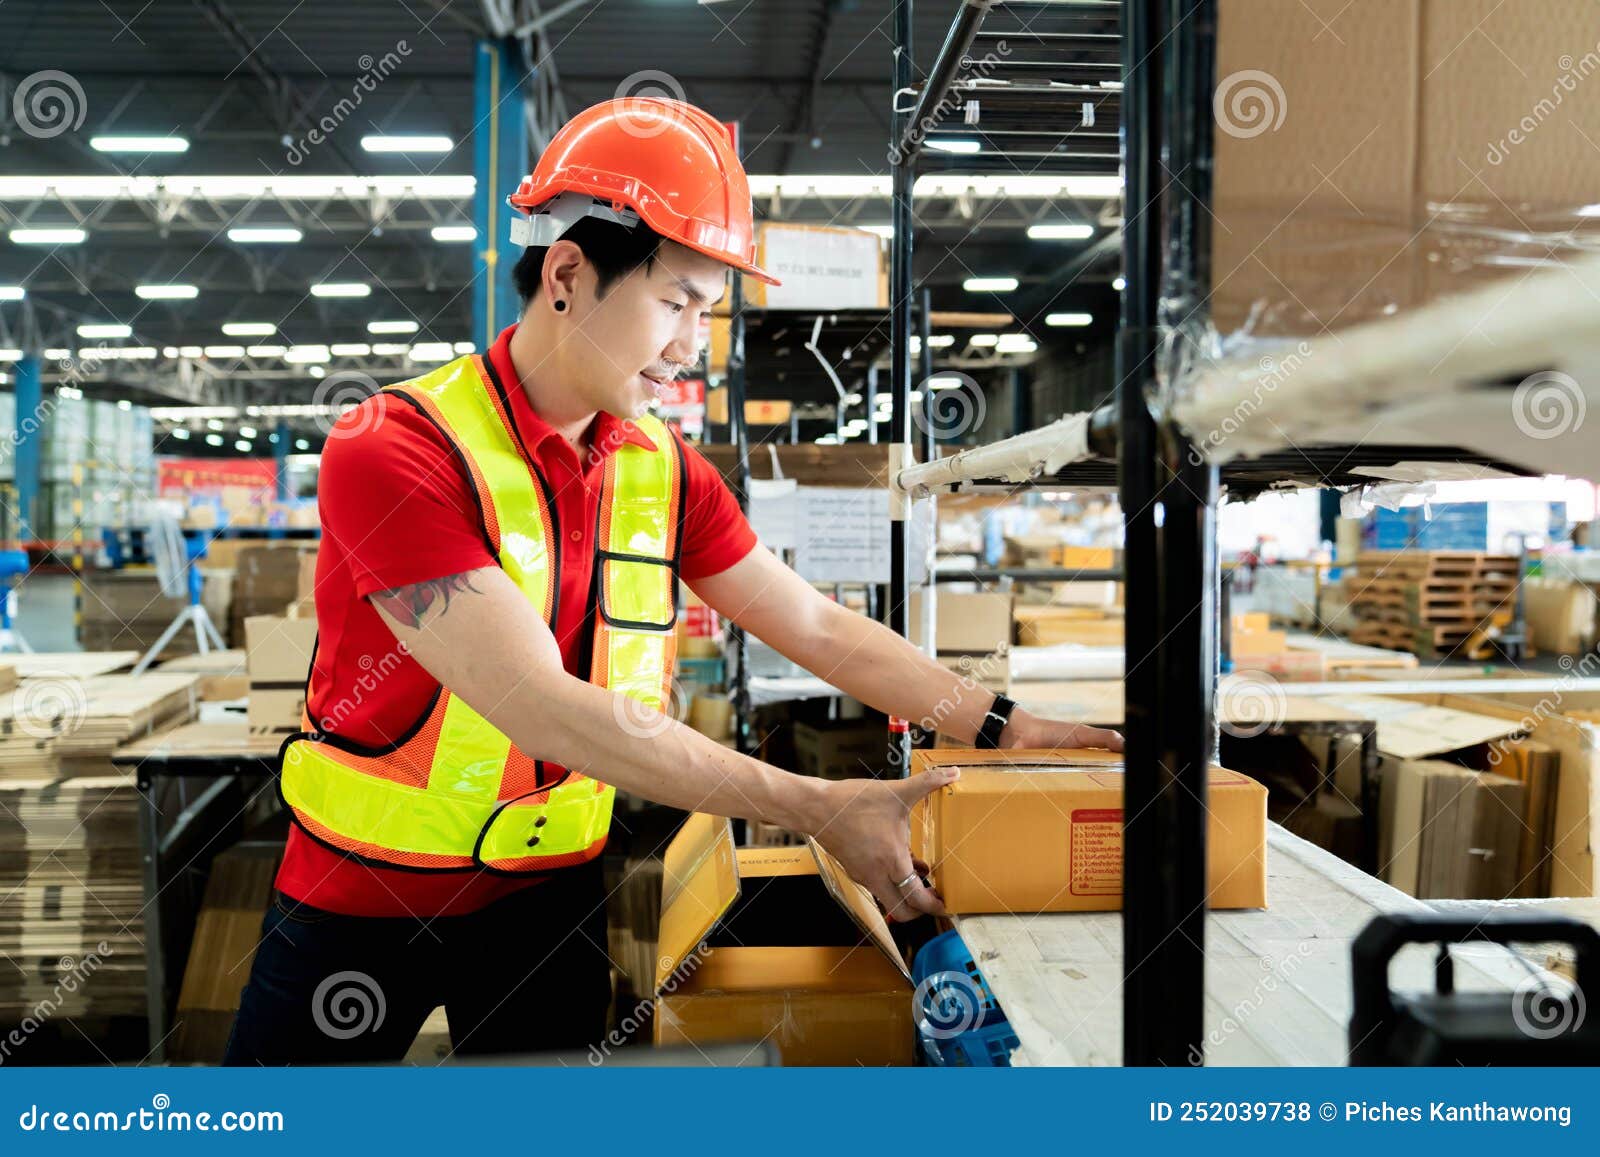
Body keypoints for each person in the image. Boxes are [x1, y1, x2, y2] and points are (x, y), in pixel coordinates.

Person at [224, 97, 1120, 1065]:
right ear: (567, 274)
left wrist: (998, 719)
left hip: (546, 898)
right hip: (356, 900)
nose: (694, 343)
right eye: (677, 301)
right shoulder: (396, 449)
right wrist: (819, 808)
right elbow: (544, 707)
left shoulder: (660, 467)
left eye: (709, 308)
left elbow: (813, 625)